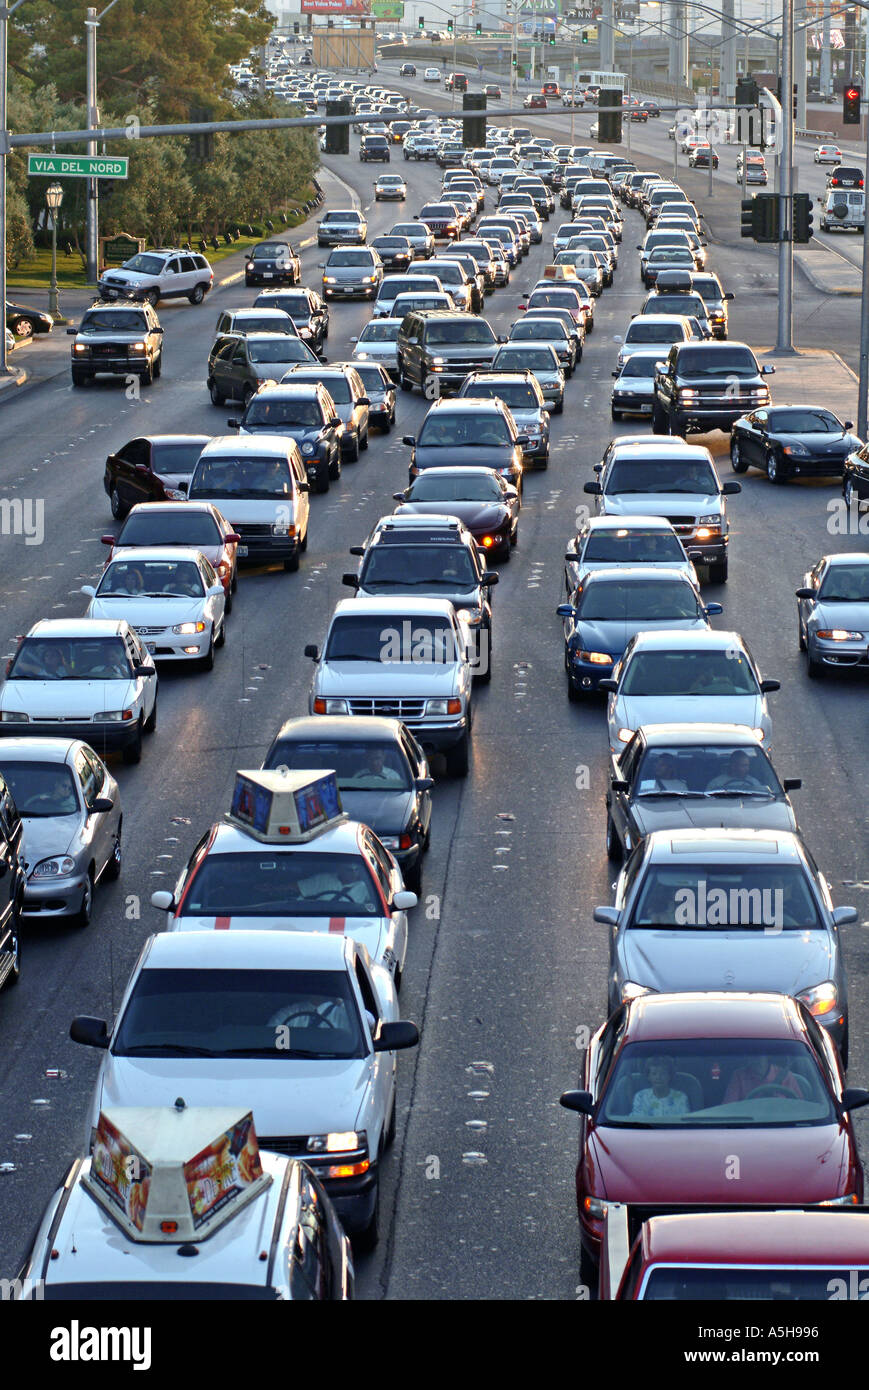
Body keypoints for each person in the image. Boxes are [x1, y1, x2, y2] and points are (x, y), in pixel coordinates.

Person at [724, 1053, 803, 1103]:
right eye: (751, 1055)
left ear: (767, 1057)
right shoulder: (739, 1076)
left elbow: (800, 1106)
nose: (754, 1059)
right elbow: (728, 1107)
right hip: (748, 1124)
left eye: (758, 1054)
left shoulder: (786, 1076)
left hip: (784, 1124)